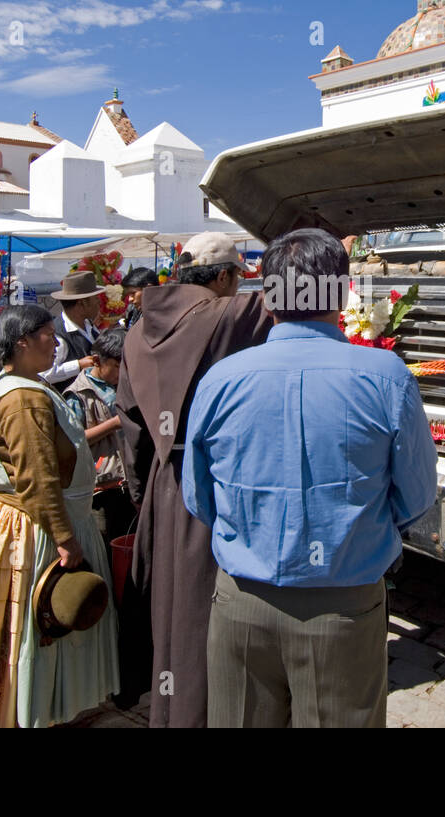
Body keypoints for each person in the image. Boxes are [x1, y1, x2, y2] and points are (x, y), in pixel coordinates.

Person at [183, 228, 436, 727]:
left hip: (240, 604)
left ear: (267, 294)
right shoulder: (386, 376)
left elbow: (199, 498)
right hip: (343, 607)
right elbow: (416, 498)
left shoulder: (221, 379)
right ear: (342, 294)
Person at [0, 304, 120, 728]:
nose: (55, 344)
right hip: (31, 530)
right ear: (22, 341)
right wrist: (66, 539)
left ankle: (26, 707)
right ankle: (21, 709)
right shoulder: (21, 399)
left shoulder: (25, 386)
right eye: (48, 335)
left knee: (18, 629)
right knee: (31, 625)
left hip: (23, 521)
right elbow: (37, 478)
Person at [116, 230, 272, 727]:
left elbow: (131, 423)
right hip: (214, 480)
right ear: (224, 276)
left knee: (171, 606)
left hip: (165, 480)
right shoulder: (226, 314)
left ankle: (169, 707)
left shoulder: (137, 330)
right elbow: (294, 294)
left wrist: (146, 498)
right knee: (206, 608)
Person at [63, 326, 133, 545]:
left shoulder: (125, 386)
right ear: (96, 361)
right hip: (100, 489)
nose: (120, 373)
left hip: (127, 484)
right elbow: (74, 439)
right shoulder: (78, 394)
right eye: (115, 366)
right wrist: (113, 424)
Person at [40, 271, 104, 392]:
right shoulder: (58, 336)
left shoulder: (89, 325)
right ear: (82, 304)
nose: (98, 303)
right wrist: (78, 365)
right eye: (95, 299)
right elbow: (45, 374)